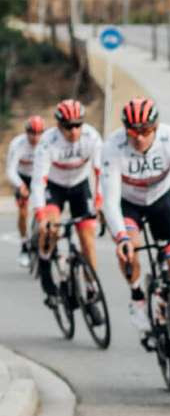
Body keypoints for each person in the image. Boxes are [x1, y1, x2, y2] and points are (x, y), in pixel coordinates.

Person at [100, 98, 170, 375]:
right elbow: (110, 201)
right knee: (132, 246)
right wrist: (122, 237)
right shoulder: (113, 147)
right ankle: (138, 296)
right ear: (125, 129)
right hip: (129, 205)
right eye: (133, 131)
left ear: (156, 127)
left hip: (162, 200)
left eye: (146, 130)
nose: (139, 137)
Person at [30, 100, 103, 308]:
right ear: (59, 125)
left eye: (78, 125)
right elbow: (38, 181)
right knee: (51, 227)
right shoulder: (48, 142)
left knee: (87, 240)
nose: (74, 130)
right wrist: (40, 215)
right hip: (55, 187)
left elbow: (100, 173)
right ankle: (45, 268)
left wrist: (99, 203)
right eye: (68, 126)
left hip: (80, 186)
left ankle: (91, 288)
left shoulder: (92, 137)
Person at [6, 115, 45, 267]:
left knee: (46, 210)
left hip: (39, 176)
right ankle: (24, 245)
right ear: (26, 132)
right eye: (32, 133)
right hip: (22, 177)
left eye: (38, 133)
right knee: (23, 212)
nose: (35, 137)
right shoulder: (17, 144)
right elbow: (10, 170)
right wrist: (21, 186)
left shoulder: (46, 143)